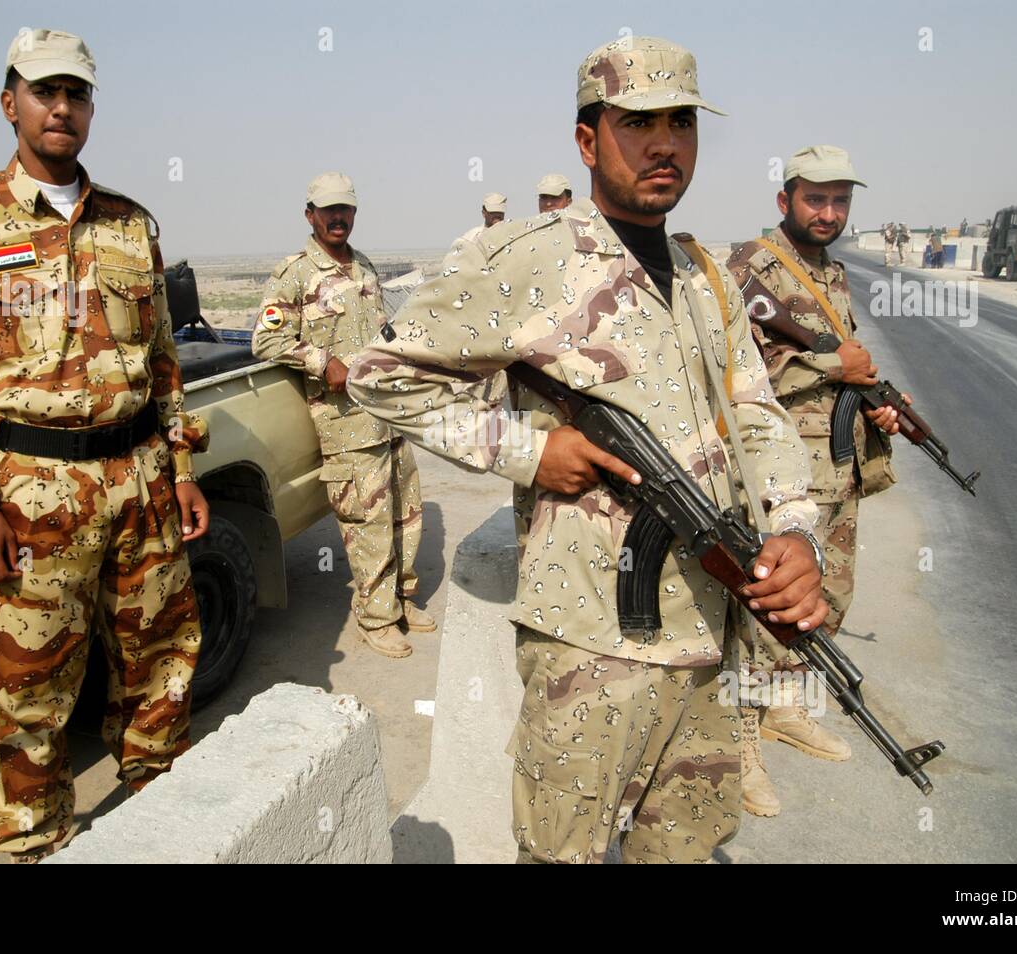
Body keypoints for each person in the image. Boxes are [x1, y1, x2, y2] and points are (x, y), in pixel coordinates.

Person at [348, 37, 825, 864]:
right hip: (590, 643)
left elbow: (757, 413)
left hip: (713, 633)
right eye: (638, 121)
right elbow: (380, 374)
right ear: (587, 140)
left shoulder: (705, 274)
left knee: (685, 849)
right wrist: (526, 451)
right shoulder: (527, 261)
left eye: (682, 121)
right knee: (561, 854)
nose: (665, 143)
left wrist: (796, 528)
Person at [0, 29, 208, 862]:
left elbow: (163, 360)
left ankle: (162, 810)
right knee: (34, 692)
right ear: (11, 104)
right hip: (35, 492)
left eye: (76, 93)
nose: (61, 107)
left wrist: (179, 464)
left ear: (91, 106)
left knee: (165, 658)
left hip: (142, 477)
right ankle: (33, 839)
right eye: (44, 92)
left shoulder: (129, 222)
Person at [726, 145, 905, 817]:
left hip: (839, 466)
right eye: (816, 199)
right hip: (781, 474)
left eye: (841, 201)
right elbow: (738, 374)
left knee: (829, 597)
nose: (829, 212)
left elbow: (838, 360)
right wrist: (834, 368)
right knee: (764, 608)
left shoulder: (830, 271)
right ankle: (738, 740)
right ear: (785, 201)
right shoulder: (750, 265)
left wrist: (873, 399)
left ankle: (786, 710)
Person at [252, 173, 430, 658]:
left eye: (345, 210)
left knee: (405, 510)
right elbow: (264, 338)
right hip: (345, 423)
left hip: (387, 413)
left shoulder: (364, 267)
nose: (337, 218)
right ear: (309, 214)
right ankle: (376, 619)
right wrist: (321, 362)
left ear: (354, 213)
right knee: (367, 520)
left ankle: (401, 597)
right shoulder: (294, 273)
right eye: (328, 210)